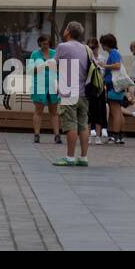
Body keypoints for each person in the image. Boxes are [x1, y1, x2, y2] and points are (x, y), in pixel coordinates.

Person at [52, 20, 92, 168]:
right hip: (84, 92)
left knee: (70, 125)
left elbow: (54, 64)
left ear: (68, 31)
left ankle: (69, 157)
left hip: (69, 92)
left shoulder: (63, 46)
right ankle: (83, 157)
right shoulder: (86, 48)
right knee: (83, 124)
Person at [28, 34, 62, 144]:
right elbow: (30, 70)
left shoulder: (54, 53)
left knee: (54, 111)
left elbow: (60, 68)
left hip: (53, 84)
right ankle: (37, 134)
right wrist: (42, 66)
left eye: (47, 44)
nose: (45, 46)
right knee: (39, 110)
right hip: (39, 85)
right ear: (39, 44)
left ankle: (57, 135)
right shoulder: (35, 54)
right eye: (43, 44)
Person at [101, 33, 126, 145]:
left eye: (103, 43)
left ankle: (115, 135)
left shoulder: (113, 53)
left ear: (106, 44)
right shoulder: (115, 53)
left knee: (115, 112)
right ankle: (120, 135)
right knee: (118, 112)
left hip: (114, 87)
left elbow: (117, 66)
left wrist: (104, 66)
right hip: (117, 87)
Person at [87, 38, 108, 144]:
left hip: (99, 87)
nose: (92, 49)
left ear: (97, 47)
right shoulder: (87, 58)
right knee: (89, 111)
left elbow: (106, 73)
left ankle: (98, 136)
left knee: (100, 111)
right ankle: (90, 135)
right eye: (89, 47)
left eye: (93, 47)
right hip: (89, 87)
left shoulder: (102, 59)